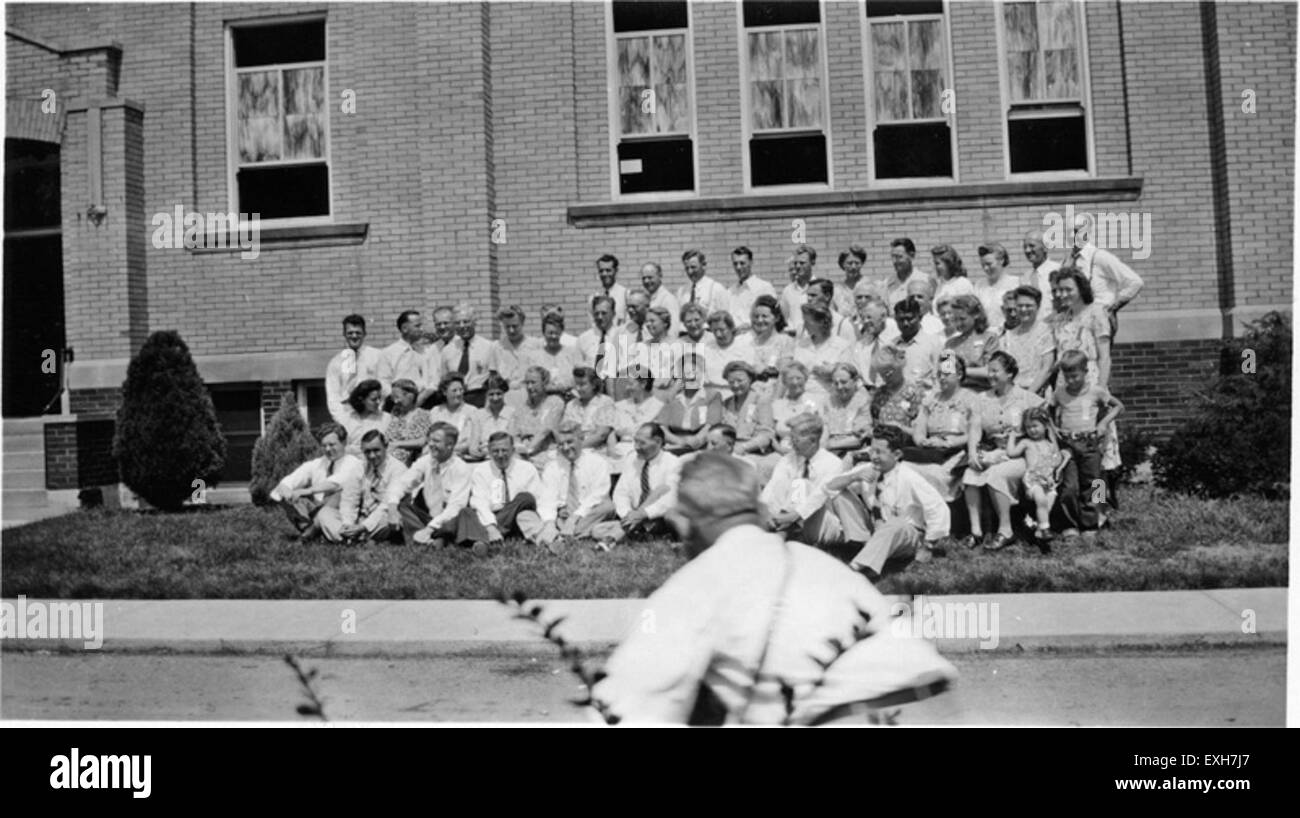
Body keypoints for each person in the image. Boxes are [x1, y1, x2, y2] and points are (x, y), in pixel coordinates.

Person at [590, 451, 958, 725]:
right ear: (761, 509)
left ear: (686, 524)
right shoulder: (828, 569)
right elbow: (926, 671)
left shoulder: (691, 587)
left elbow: (617, 711)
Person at [829, 426, 952, 580]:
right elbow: (830, 486)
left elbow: (939, 508)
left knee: (894, 523)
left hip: (905, 534)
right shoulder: (868, 469)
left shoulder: (909, 477)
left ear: (897, 454)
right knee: (840, 494)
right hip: (877, 528)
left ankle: (855, 568)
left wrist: (928, 546)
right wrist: (854, 477)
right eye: (872, 451)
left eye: (879, 452)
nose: (873, 456)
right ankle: (863, 545)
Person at [962, 351, 1045, 552]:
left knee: (1096, 478)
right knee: (970, 473)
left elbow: (1044, 428)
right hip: (996, 452)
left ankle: (1095, 521)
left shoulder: (1028, 399)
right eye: (988, 371)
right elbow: (974, 428)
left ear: (1009, 374)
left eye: (995, 371)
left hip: (1022, 454)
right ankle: (977, 531)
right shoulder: (981, 399)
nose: (990, 375)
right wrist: (973, 452)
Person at [1047, 266, 1122, 489]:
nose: (1062, 294)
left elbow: (1104, 356)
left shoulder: (1096, 313)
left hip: (1089, 383)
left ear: (1081, 287)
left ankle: (1100, 507)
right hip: (1065, 387)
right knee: (1071, 448)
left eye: (1068, 289)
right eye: (1058, 290)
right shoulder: (1059, 319)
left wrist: (1100, 391)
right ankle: (1079, 507)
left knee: (1096, 452)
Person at [762, 413, 872, 549]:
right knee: (782, 483)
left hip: (822, 521)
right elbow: (772, 487)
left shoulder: (833, 463)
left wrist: (792, 516)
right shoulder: (788, 459)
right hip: (786, 518)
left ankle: (781, 535)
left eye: (795, 440)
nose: (791, 443)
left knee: (801, 484)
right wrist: (765, 511)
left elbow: (818, 498)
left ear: (813, 440)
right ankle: (775, 531)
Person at [1049, 350, 1125, 546]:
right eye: (1067, 376)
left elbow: (1118, 407)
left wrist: (1103, 424)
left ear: (1086, 371)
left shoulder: (1096, 391)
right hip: (1067, 445)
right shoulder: (1059, 393)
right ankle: (1069, 524)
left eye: (1075, 376)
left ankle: (1093, 522)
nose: (1071, 381)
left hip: (1090, 443)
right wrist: (1053, 429)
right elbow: (1046, 411)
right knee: (1069, 487)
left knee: (1095, 484)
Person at [590, 422, 681, 550]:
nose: (636, 447)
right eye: (635, 442)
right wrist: (629, 515)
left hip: (658, 516)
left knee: (665, 501)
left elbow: (670, 499)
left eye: (642, 443)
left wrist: (644, 513)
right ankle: (636, 531)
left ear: (658, 441)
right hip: (635, 515)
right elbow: (621, 493)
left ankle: (623, 535)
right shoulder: (632, 459)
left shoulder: (673, 462)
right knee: (596, 531)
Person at [270, 423, 363, 542]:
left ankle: (311, 534)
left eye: (332, 444)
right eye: (324, 445)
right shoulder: (318, 463)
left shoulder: (353, 463)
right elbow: (287, 482)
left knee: (338, 492)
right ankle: (315, 531)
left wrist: (306, 491)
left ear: (344, 442)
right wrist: (288, 492)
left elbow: (335, 483)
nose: (328, 449)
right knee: (283, 494)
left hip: (339, 513)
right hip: (317, 510)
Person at [456, 431, 545, 552]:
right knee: (466, 511)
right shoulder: (481, 471)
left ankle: (483, 540)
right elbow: (480, 502)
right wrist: (491, 526)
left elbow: (538, 500)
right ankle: (488, 539)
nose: (500, 455)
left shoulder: (527, 468)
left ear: (513, 450)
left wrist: (546, 522)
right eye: (495, 451)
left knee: (525, 498)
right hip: (491, 516)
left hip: (517, 519)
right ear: (489, 451)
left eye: (504, 450)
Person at [536, 421, 617, 554]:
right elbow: (547, 499)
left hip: (587, 512)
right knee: (537, 514)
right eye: (561, 444)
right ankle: (571, 533)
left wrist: (574, 519)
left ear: (581, 439)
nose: (566, 448)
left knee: (608, 506)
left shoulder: (597, 462)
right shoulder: (552, 466)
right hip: (563, 514)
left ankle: (561, 537)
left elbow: (597, 496)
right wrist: (550, 523)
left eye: (569, 442)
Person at [389, 422, 475, 548]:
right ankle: (430, 539)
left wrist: (429, 529)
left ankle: (429, 538)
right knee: (402, 506)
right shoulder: (426, 460)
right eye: (429, 440)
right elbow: (402, 483)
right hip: (428, 516)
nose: (430, 444)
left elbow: (456, 507)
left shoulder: (461, 468)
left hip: (448, 518)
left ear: (450, 445)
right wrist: (392, 508)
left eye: (436, 441)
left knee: (457, 517)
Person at [907, 352, 973, 502]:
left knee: (933, 474)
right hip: (930, 452)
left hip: (956, 454)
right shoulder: (931, 400)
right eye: (939, 374)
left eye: (947, 373)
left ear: (959, 374)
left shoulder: (971, 399)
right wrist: (922, 441)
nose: (942, 378)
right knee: (904, 469)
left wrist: (947, 442)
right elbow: (919, 429)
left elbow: (975, 433)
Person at [1068, 213, 1144, 337]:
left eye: (1076, 231)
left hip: (1099, 322)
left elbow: (1135, 282)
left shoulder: (1100, 257)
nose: (1072, 235)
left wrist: (1112, 307)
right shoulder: (1068, 261)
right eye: (1069, 231)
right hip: (1077, 321)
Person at [1005, 406, 1068, 548]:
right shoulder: (1027, 443)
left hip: (1050, 480)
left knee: (1096, 478)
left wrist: (1063, 456)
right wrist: (1012, 436)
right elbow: (1011, 452)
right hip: (1034, 480)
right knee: (1041, 498)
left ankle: (1097, 515)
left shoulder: (1050, 444)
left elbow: (1056, 460)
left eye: (1035, 426)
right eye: (1028, 427)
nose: (1032, 430)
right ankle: (1045, 529)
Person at [335, 430, 406, 546]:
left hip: (383, 517)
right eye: (367, 452)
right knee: (326, 514)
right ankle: (354, 537)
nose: (372, 456)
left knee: (391, 520)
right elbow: (349, 498)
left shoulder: (398, 469)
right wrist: (348, 524)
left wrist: (363, 527)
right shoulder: (360, 467)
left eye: (376, 450)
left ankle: (358, 538)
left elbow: (386, 505)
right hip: (360, 517)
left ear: (386, 447)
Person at [719, 361, 776, 479]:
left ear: (750, 379)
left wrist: (743, 447)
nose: (735, 385)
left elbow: (766, 435)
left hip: (752, 452)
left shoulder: (761, 400)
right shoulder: (726, 403)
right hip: (729, 450)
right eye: (731, 382)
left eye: (740, 381)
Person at [994, 285, 1055, 395]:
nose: (1023, 309)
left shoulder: (1046, 331)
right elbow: (998, 369)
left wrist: (1027, 397)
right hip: (1009, 393)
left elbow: (1046, 369)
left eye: (1028, 306)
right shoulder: (1008, 336)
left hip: (1036, 393)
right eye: (1020, 306)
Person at [657, 354, 721, 454]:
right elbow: (662, 426)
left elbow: (711, 425)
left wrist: (696, 441)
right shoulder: (673, 396)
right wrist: (678, 442)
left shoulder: (713, 395)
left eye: (695, 372)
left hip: (701, 447)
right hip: (673, 445)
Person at [326, 314, 382, 426]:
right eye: (350, 333)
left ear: (365, 334)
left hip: (375, 417)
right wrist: (344, 422)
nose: (354, 336)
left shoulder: (377, 356)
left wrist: (378, 416)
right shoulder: (336, 362)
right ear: (344, 334)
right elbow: (333, 397)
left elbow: (384, 388)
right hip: (348, 418)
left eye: (358, 332)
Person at [507, 365, 564, 471]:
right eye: (527, 383)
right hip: (522, 456)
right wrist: (518, 449)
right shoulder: (522, 408)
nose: (529, 387)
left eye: (533, 382)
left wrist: (527, 450)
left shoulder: (555, 402)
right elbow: (513, 434)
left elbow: (544, 431)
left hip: (546, 455)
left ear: (544, 383)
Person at [792, 302, 851, 401]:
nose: (804, 326)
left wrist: (832, 372)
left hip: (830, 398)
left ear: (821, 322)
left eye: (807, 322)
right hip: (801, 397)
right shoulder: (801, 344)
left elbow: (848, 378)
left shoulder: (842, 346)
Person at [379, 310, 437, 406]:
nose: (422, 329)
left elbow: (434, 380)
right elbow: (383, 382)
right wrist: (398, 399)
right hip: (398, 404)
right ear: (404, 329)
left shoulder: (428, 351)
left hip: (427, 402)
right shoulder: (388, 353)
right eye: (417, 326)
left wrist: (422, 397)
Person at [441, 303, 493, 407]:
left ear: (474, 322)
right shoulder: (447, 350)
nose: (462, 326)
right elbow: (444, 378)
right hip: (455, 400)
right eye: (457, 323)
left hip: (480, 399)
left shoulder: (489, 347)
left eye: (466, 321)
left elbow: (493, 378)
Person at [487, 305, 537, 408]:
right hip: (504, 399)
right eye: (507, 327)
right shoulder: (497, 347)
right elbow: (493, 377)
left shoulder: (535, 345)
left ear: (522, 324)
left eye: (515, 326)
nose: (511, 330)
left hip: (530, 395)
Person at [770, 361, 825, 456]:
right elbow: (771, 434)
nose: (795, 382)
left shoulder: (816, 400)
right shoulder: (777, 404)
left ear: (805, 379)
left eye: (799, 378)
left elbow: (823, 431)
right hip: (781, 452)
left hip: (810, 452)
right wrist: (779, 449)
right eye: (790, 379)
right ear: (784, 382)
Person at [943, 295, 996, 392]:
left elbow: (992, 371)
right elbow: (947, 372)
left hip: (982, 393)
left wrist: (962, 371)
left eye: (962, 319)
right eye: (955, 319)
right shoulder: (950, 343)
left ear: (975, 315)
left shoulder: (989, 338)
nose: (958, 324)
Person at [892, 295, 944, 390]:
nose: (905, 324)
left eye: (910, 319)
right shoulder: (891, 346)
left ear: (920, 317)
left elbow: (948, 375)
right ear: (895, 320)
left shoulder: (936, 343)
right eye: (901, 320)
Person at [842, 295, 893, 388]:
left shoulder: (895, 336)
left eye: (869, 317)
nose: (865, 321)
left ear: (883, 316)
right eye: (863, 318)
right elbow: (855, 373)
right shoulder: (860, 345)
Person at [428, 372, 482, 459]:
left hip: (461, 456)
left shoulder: (472, 411)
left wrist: (449, 451)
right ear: (444, 392)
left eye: (461, 390)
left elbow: (471, 440)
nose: (459, 394)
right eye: (454, 390)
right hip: (437, 455)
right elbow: (431, 437)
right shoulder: (436, 411)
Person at [700, 310, 755, 394]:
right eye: (715, 331)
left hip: (737, 393)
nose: (718, 334)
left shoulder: (745, 347)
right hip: (710, 393)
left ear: (731, 328)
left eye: (722, 330)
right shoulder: (705, 348)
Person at [561, 366, 616, 451]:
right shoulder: (571, 405)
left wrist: (578, 448)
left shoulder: (605, 402)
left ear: (593, 385)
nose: (578, 388)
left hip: (596, 450)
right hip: (571, 448)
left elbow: (601, 435)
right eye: (576, 384)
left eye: (582, 384)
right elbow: (564, 432)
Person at [526, 312, 582, 396]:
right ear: (543, 333)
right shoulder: (534, 357)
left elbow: (581, 378)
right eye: (550, 333)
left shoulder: (573, 353)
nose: (553, 336)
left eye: (556, 333)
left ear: (561, 332)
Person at [822, 363, 872, 456]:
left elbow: (859, 438)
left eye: (844, 382)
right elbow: (825, 428)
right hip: (829, 448)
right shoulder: (829, 399)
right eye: (836, 383)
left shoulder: (863, 399)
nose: (839, 387)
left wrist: (829, 445)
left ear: (855, 381)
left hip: (853, 450)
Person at [747, 295, 793, 394]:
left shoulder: (785, 341)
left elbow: (784, 374)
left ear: (776, 318)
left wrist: (776, 399)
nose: (759, 320)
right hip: (752, 394)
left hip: (774, 393)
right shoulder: (750, 343)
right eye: (756, 316)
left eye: (764, 316)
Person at [726, 246, 776, 332]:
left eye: (742, 263)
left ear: (751, 262)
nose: (738, 267)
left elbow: (773, 317)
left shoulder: (764, 288)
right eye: (735, 263)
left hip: (757, 339)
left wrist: (750, 326)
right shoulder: (730, 292)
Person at [384, 378, 432, 466]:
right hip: (388, 455)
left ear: (410, 396)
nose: (395, 401)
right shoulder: (395, 412)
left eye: (397, 397)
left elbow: (422, 441)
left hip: (409, 459)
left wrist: (397, 444)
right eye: (393, 398)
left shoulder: (423, 415)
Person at [974, 242, 1020, 331]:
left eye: (989, 264)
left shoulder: (1015, 283)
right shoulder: (979, 285)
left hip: (1009, 333)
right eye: (983, 265)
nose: (986, 268)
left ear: (1001, 260)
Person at [341, 379, 390, 454]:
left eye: (379, 398)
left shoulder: (386, 418)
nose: (378, 402)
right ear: (362, 400)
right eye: (373, 399)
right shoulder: (347, 418)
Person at [1022, 229, 1061, 324]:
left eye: (1031, 246)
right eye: (1025, 247)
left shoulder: (1058, 270)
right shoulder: (1025, 277)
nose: (1027, 250)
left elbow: (1063, 304)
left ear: (1045, 248)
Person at [473, 374, 514, 461]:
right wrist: (479, 453)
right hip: (483, 459)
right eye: (491, 394)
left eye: (499, 393)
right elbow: (473, 446)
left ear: (504, 393)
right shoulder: (478, 415)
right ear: (486, 395)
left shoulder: (512, 413)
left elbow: (513, 443)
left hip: (506, 458)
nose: (495, 398)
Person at [677, 248, 729, 317]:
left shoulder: (716, 289)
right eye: (687, 268)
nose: (690, 272)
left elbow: (725, 317)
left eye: (693, 267)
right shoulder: (681, 291)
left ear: (704, 265)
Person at [577, 295, 619, 379]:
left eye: (604, 313)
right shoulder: (583, 339)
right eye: (596, 313)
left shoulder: (622, 337)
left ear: (613, 314)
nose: (600, 317)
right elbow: (578, 367)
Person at [779, 244, 816, 334]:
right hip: (792, 341)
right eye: (796, 263)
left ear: (812, 262)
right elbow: (784, 317)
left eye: (802, 263)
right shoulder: (787, 291)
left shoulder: (819, 288)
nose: (798, 266)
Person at [883, 238, 924, 309]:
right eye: (893, 257)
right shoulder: (887, 284)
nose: (895, 261)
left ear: (912, 256)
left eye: (899, 257)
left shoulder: (924, 280)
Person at [590, 253, 628, 325]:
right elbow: (593, 324)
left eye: (608, 270)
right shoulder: (593, 297)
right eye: (601, 271)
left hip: (620, 335)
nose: (604, 274)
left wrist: (622, 337)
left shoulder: (625, 294)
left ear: (616, 271)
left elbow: (626, 326)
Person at [640, 262, 681, 327]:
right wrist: (622, 337)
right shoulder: (643, 299)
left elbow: (674, 328)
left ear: (660, 276)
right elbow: (624, 330)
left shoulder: (668, 299)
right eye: (644, 278)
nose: (646, 281)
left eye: (650, 277)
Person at [834, 245, 868, 317]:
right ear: (843, 264)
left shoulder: (870, 285)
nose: (853, 267)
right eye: (849, 263)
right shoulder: (837, 290)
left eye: (857, 263)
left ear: (862, 264)